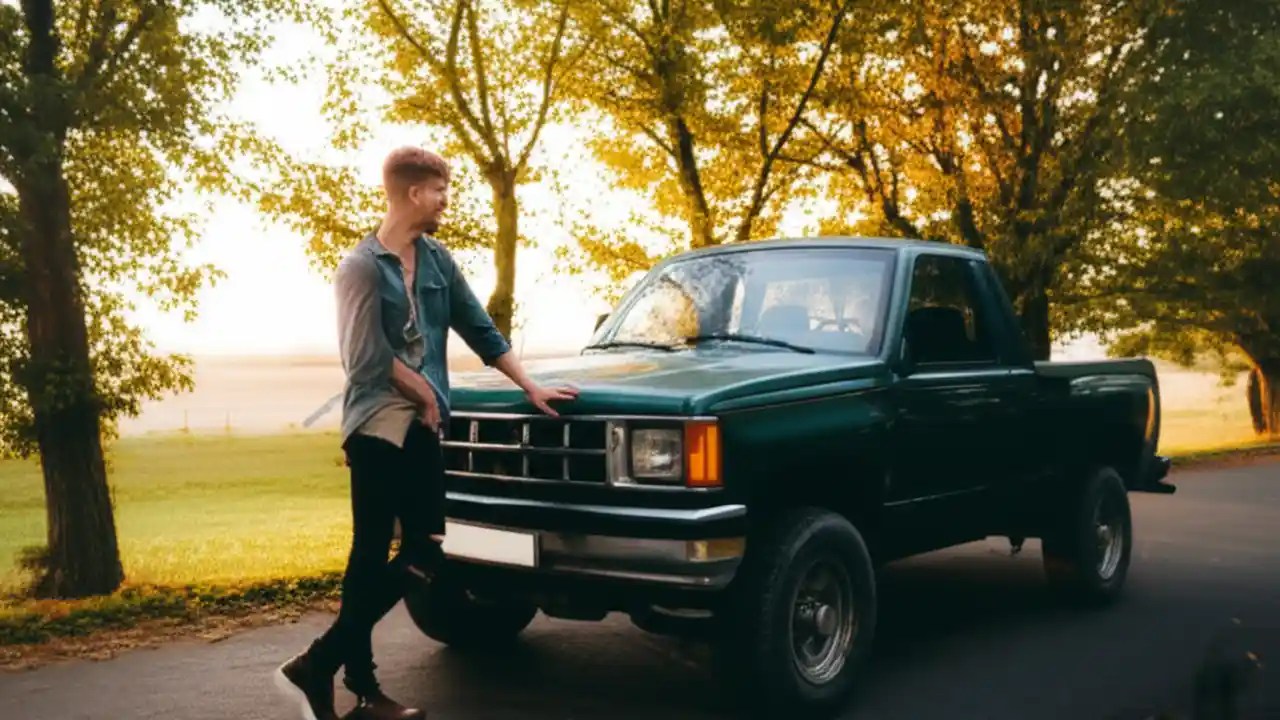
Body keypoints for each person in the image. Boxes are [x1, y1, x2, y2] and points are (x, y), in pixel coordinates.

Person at [274, 147, 578, 720]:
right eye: (440, 189)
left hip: (422, 422)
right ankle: (363, 691)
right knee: (369, 556)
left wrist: (530, 385)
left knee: (425, 547)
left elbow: (481, 329)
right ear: (414, 193)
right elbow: (364, 359)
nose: (446, 200)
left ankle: (320, 661)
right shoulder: (361, 266)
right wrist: (421, 391)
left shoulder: (437, 260)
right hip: (377, 425)